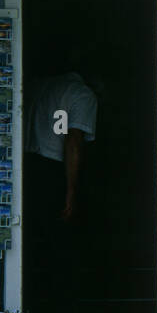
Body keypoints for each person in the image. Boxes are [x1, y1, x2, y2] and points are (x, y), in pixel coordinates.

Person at [25, 69, 99, 226]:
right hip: (54, 170)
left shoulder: (42, 85)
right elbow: (73, 141)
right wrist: (71, 189)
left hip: (28, 164)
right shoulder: (81, 94)